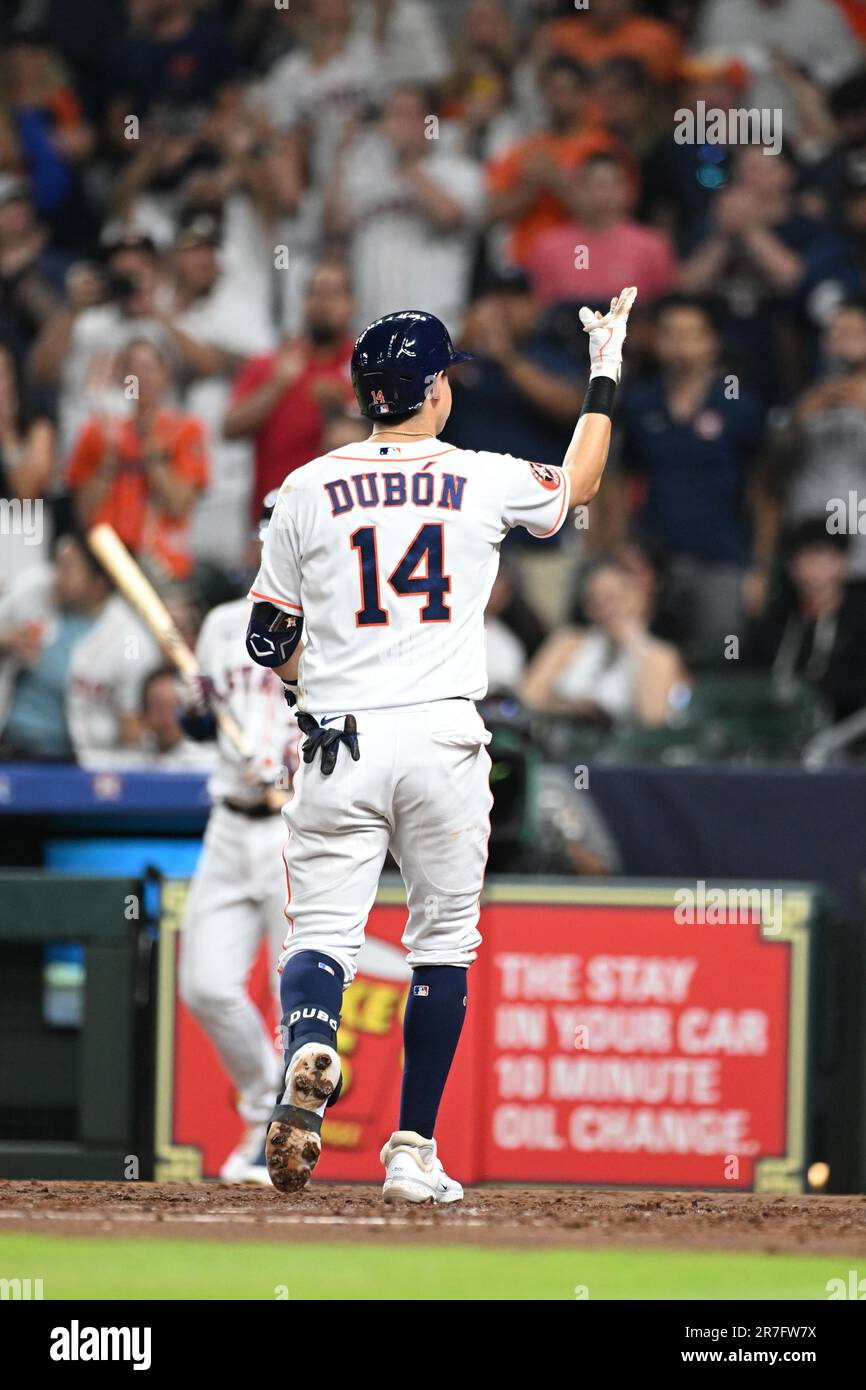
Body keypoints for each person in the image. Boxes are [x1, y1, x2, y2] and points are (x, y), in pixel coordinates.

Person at [244, 287, 637, 1201]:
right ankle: (412, 1152)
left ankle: (311, 1040)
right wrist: (605, 367)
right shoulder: (480, 474)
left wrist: (321, 683)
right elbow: (578, 484)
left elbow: (268, 637)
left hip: (341, 739)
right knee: (442, 949)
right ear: (433, 392)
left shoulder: (305, 486)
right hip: (445, 740)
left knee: (323, 937)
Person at [177, 494, 300, 1185]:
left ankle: (273, 1131)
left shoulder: (336, 622)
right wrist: (194, 710)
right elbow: (202, 723)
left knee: (295, 994)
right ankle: (263, 1102)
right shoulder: (224, 624)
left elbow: (341, 729)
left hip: (294, 828)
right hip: (228, 822)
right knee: (204, 984)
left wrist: (287, 759)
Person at [610, 297, 771, 664]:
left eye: (692, 335)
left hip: (722, 559)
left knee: (718, 661)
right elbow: (618, 481)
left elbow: (764, 493)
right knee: (644, 662)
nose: (681, 345)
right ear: (657, 341)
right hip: (650, 562)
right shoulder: (638, 402)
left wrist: (759, 568)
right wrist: (620, 544)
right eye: (670, 334)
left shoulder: (739, 405)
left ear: (712, 342)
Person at [326, 85, 485, 334]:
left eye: (409, 114)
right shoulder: (367, 174)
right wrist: (342, 156)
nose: (399, 125)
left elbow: (448, 216)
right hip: (373, 325)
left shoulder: (457, 169)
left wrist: (406, 163)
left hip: (436, 322)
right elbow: (335, 225)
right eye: (393, 115)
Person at [66, 338, 208, 583]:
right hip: (106, 566)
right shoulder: (97, 432)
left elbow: (177, 506)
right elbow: (84, 514)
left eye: (149, 369)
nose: (142, 378)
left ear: (165, 376)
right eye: (132, 369)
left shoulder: (186, 430)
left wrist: (151, 447)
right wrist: (109, 457)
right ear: (121, 378)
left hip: (163, 566)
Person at [224, 261, 356, 517]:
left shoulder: (367, 367)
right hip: (275, 516)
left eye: (333, 294)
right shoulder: (272, 363)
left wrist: (342, 404)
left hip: (343, 519)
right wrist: (276, 386)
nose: (323, 304)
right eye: (315, 294)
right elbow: (230, 427)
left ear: (351, 304)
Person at [485, 54, 619, 267]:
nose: (559, 100)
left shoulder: (604, 148)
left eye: (566, 91)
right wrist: (529, 189)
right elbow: (490, 213)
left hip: (584, 262)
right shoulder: (527, 148)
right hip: (527, 262)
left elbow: (608, 213)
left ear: (584, 94)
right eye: (552, 91)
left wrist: (555, 181)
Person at [521, 558, 687, 728]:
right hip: (559, 733)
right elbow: (527, 699)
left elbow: (653, 720)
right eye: (595, 599)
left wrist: (635, 644)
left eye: (614, 598)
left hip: (620, 746)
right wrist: (571, 708)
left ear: (638, 599)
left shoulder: (660, 655)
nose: (605, 607)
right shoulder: (568, 641)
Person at [776, 298, 866, 580]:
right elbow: (770, 467)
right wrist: (798, 419)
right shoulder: (809, 397)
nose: (839, 341)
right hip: (808, 551)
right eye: (834, 332)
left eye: (852, 332)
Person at [744, 519, 866, 722]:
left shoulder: (859, 622)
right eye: (805, 561)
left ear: (842, 563)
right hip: (774, 728)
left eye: (823, 561)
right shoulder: (776, 621)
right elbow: (747, 673)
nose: (814, 573)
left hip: (843, 732)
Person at [527, 153, 676, 309]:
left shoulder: (652, 246)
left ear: (629, 190)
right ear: (575, 190)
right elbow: (540, 308)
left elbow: (663, 307)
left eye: (610, 185)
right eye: (592, 185)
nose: (602, 195)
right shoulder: (548, 247)